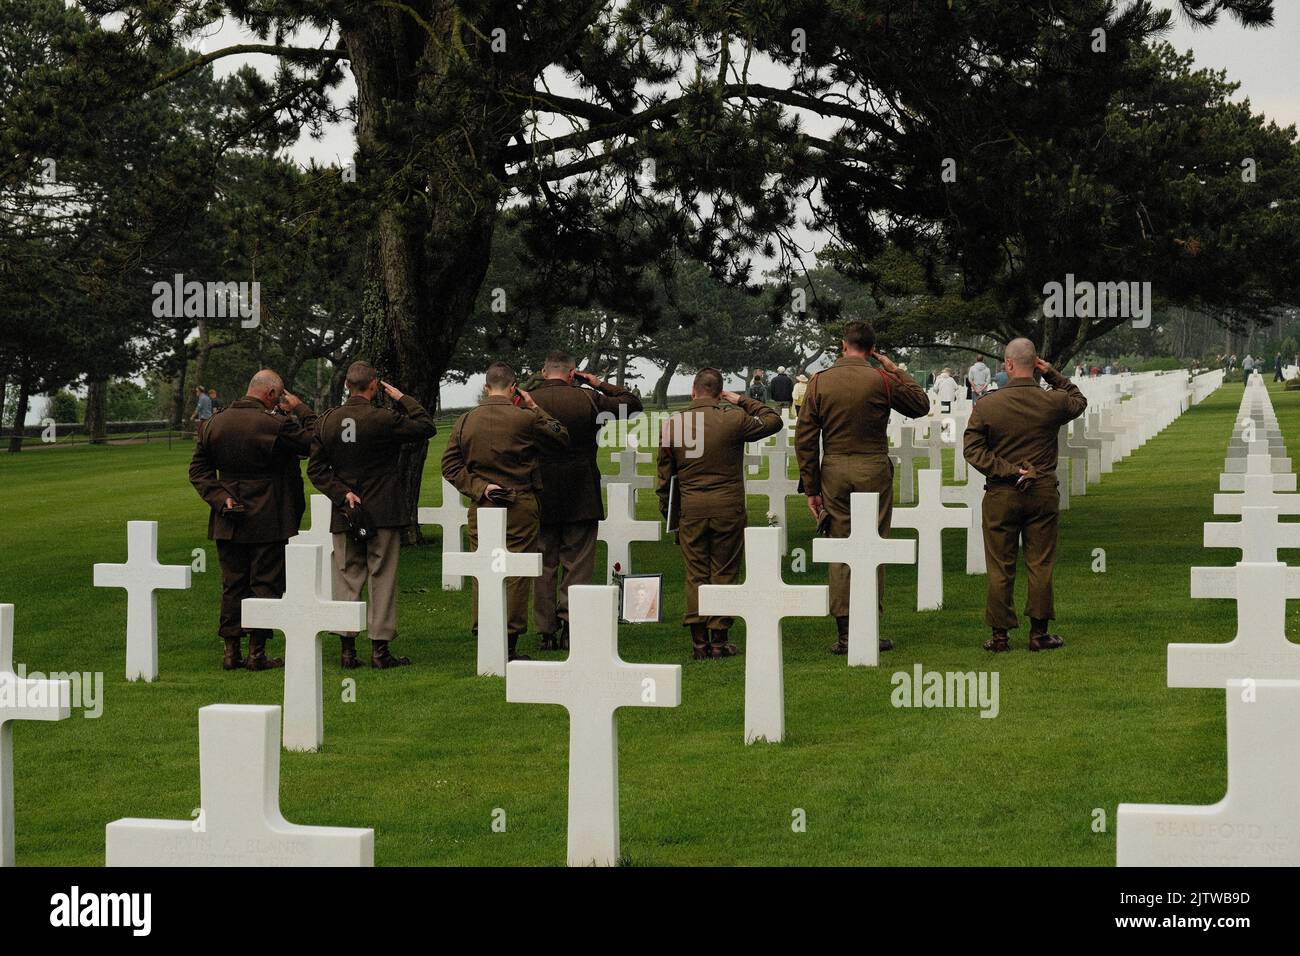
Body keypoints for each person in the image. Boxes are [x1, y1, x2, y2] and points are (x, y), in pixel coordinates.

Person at [795, 321, 930, 654]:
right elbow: (920, 404)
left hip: (835, 471)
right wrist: (896, 369)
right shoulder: (882, 379)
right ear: (872, 349)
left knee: (840, 546)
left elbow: (806, 438)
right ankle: (868, 624)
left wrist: (811, 487)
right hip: (872, 468)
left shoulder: (819, 382)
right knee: (874, 546)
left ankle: (845, 632)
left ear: (843, 345)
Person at [307, 361, 436, 669]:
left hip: (346, 511)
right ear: (374, 385)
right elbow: (425, 426)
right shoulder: (384, 418)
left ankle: (347, 650)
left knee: (346, 576)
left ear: (347, 385)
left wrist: (341, 494)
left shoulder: (327, 421)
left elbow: (315, 469)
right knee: (382, 577)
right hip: (383, 510)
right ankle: (380, 650)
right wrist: (403, 398)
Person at [963, 338, 1087, 653]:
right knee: (1040, 563)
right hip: (1042, 491)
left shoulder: (987, 404)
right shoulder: (1052, 401)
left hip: (1002, 494)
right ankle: (1038, 634)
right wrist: (1053, 374)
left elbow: (972, 449)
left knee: (1000, 565)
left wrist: (1007, 469)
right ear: (1035, 366)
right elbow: (1079, 399)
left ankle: (1001, 636)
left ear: (1007, 365)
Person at [441, 362, 570, 661]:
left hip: (483, 503)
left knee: (483, 570)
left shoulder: (465, 420)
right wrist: (535, 406)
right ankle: (508, 643)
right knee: (514, 572)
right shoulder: (525, 418)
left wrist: (479, 487)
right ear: (514, 388)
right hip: (520, 503)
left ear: (486, 387)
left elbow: (450, 465)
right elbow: (561, 437)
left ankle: (484, 630)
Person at [189, 370, 317, 670]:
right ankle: (257, 653)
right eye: (279, 395)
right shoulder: (276, 425)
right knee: (265, 583)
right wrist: (300, 408)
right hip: (269, 514)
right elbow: (315, 441)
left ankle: (231, 651)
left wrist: (220, 499)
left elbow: (198, 472)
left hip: (228, 516)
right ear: (272, 395)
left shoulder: (213, 424)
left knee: (233, 584)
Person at [657, 368, 782, 659]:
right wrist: (740, 400)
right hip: (728, 507)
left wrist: (670, 514)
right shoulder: (733, 417)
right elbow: (773, 420)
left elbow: (665, 478)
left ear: (693, 390)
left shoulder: (672, 425)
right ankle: (718, 640)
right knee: (725, 572)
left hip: (691, 508)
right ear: (719, 392)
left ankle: (699, 643)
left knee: (696, 574)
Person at [529, 351, 643, 650]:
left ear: (544, 371)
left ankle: (545, 631)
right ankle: (571, 623)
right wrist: (599, 383)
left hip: (540, 490)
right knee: (577, 563)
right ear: (572, 373)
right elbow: (633, 406)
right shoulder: (589, 399)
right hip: (581, 489)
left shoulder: (527, 401)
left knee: (543, 564)